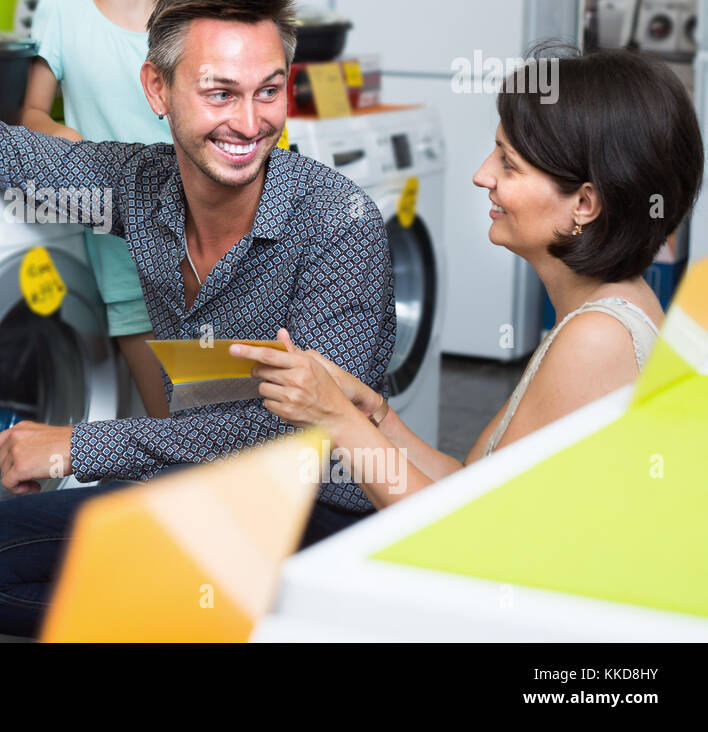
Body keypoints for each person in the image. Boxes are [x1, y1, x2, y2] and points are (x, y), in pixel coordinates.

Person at [0, 0, 397, 637]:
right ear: (158, 88)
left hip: (320, 509)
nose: (248, 122)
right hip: (202, 491)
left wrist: (76, 446)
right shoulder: (138, 189)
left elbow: (304, 434)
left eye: (268, 92)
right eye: (219, 92)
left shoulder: (337, 220)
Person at [234, 46, 704, 506]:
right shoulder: (611, 304)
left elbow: (464, 535)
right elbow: (468, 485)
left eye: (508, 163)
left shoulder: (597, 338)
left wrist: (335, 417)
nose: (482, 176)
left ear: (584, 203)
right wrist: (373, 413)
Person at [20, 0, 178, 420]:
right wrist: (66, 140)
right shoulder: (61, 11)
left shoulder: (192, 14)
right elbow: (32, 112)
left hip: (203, 230)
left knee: (223, 406)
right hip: (119, 237)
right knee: (166, 414)